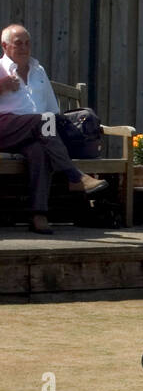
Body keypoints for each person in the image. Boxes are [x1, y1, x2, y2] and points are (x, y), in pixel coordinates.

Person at [0, 23, 107, 234]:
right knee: (43, 122)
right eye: (18, 43)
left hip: (34, 132)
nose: (24, 48)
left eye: (27, 43)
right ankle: (75, 176)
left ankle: (38, 215)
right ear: (5, 46)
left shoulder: (38, 71)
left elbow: (52, 109)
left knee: (40, 151)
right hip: (4, 128)